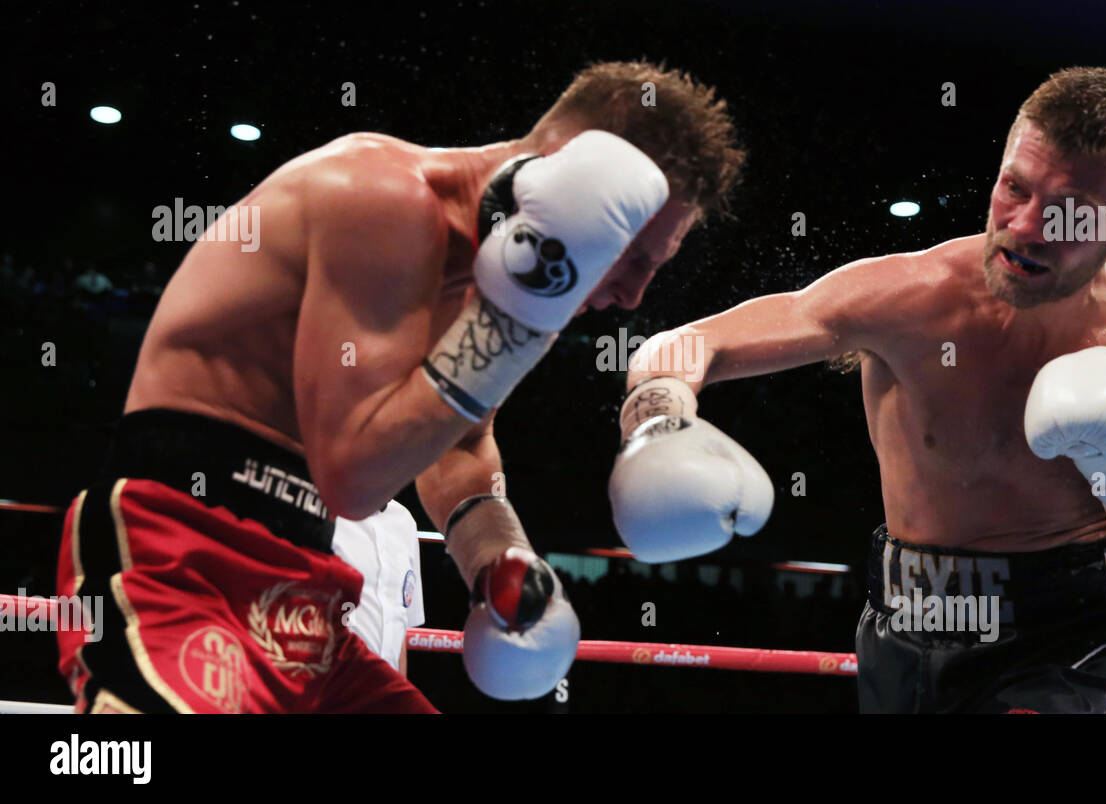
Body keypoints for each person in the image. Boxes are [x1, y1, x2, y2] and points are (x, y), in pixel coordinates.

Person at [56, 60, 745, 712]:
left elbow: (458, 450)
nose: (631, 295)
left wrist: (502, 565)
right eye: (627, 252)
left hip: (304, 593)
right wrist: (513, 329)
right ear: (568, 178)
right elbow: (353, 480)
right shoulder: (380, 197)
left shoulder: (498, 282)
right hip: (179, 557)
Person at [609, 67, 1106, 713]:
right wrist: (659, 419)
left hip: (1077, 641)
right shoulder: (908, 299)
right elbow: (682, 346)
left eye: (1070, 211)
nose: (1026, 227)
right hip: (904, 629)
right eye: (1014, 188)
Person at [332, 500, 424, 676]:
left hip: (384, 691)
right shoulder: (330, 512)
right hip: (333, 683)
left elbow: (399, 624)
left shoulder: (404, 521)